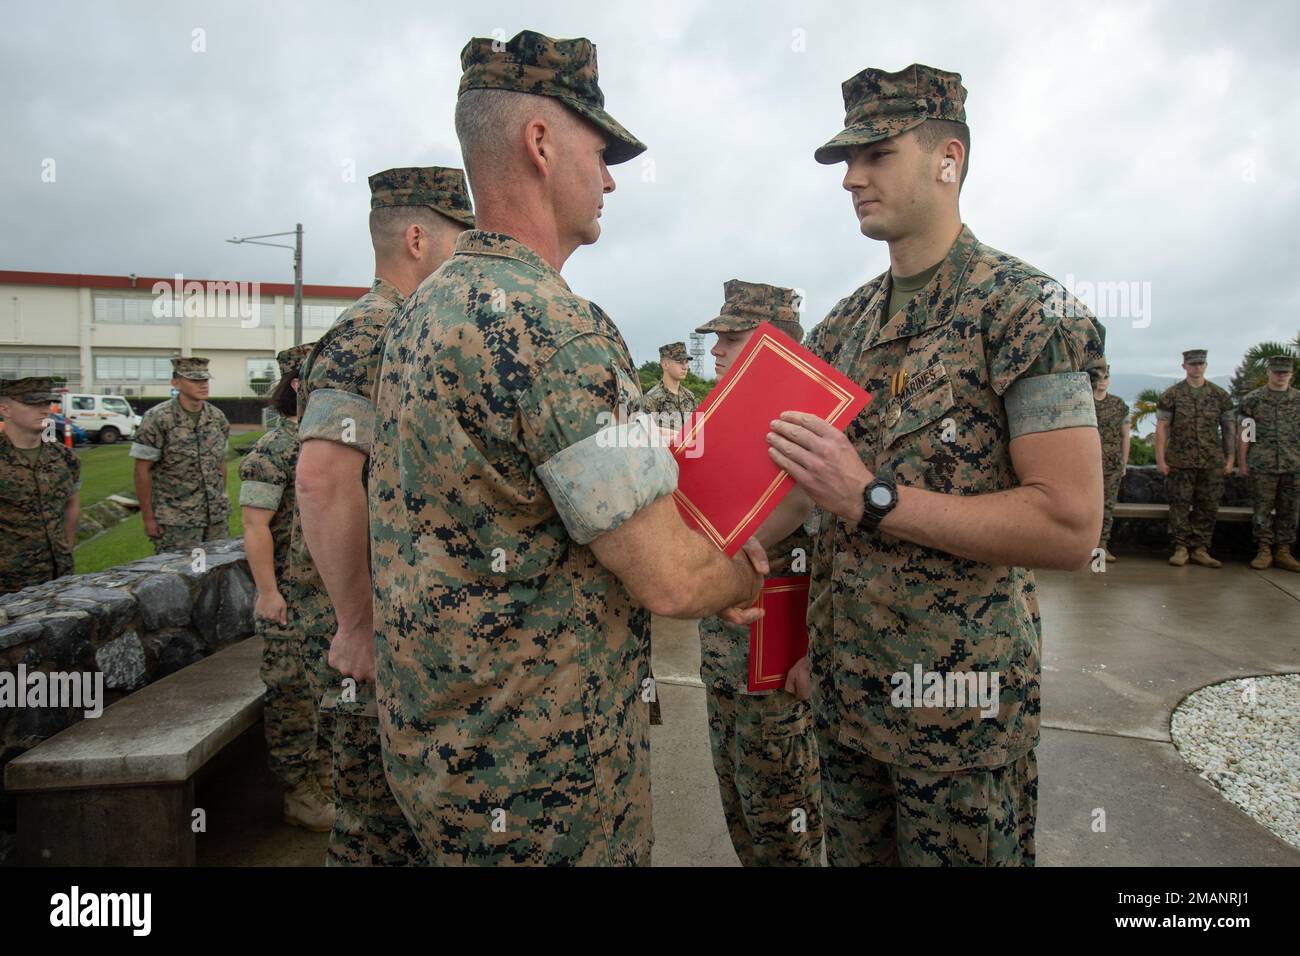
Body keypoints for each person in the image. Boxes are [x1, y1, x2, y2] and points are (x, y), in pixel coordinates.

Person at [369, 29, 767, 866]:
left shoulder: (422, 309)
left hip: (438, 753)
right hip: (545, 781)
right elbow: (667, 575)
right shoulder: (554, 327)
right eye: (601, 148)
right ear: (541, 144)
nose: (613, 176)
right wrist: (739, 577)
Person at [760, 63, 1105, 866]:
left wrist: (873, 496)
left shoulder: (1027, 312)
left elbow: (1068, 523)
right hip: (844, 707)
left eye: (876, 154)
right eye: (848, 161)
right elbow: (795, 495)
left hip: (958, 728)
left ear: (948, 158)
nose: (851, 178)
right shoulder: (844, 325)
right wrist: (735, 564)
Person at [295, 165, 473, 866]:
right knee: (377, 827)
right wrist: (358, 625)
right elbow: (322, 478)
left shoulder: (408, 326)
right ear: (419, 237)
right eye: (463, 237)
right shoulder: (373, 330)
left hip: (400, 629)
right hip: (369, 639)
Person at [694, 279, 823, 866]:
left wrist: (707, 560)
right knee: (740, 803)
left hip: (773, 656)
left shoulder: (802, 419)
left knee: (782, 816)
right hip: (725, 649)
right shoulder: (722, 416)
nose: (716, 349)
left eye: (732, 336)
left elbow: (797, 503)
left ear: (774, 344)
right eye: (716, 337)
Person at [238, 344, 335, 831]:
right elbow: (255, 526)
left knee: (325, 693)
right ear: (298, 386)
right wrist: (268, 592)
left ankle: (325, 781)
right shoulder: (274, 450)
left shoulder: (331, 439)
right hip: (290, 602)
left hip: (324, 600)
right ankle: (298, 791)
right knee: (292, 695)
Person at [130, 357, 230, 555]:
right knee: (178, 579)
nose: (203, 385)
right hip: (176, 521)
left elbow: (220, 462)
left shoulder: (217, 418)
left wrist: (222, 496)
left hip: (215, 519)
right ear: (176, 383)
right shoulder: (158, 418)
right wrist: (148, 518)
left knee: (216, 577)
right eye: (195, 380)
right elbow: (142, 470)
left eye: (205, 380)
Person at [1155, 349, 1235, 567]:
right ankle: (1180, 547)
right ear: (1184, 367)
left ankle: (1200, 548)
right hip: (1179, 461)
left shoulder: (1220, 396)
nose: (1197, 367)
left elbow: (1229, 428)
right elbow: (1162, 428)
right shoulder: (1172, 395)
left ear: (1206, 366)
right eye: (1192, 364)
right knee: (1179, 505)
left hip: (1211, 461)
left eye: (1200, 363)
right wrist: (1160, 459)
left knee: (1207, 506)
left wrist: (1230, 459)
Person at [0, 377, 80, 595]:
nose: (44, 410)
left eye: (46, 403)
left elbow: (71, 504)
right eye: (32, 404)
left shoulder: (64, 457)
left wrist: (67, 546)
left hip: (58, 577)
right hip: (8, 582)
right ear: (5, 409)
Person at [1238, 354, 1300, 571]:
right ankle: (1263, 550)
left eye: (1285, 372)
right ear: (1268, 373)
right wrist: (1243, 462)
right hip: (1262, 464)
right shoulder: (1252, 400)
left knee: (1290, 509)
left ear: (1291, 374)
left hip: (1293, 464)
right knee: (1262, 508)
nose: (1281, 376)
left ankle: (1284, 550)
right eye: (1277, 372)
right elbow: (1246, 434)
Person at [1092, 365, 1130, 562]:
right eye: (1099, 377)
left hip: (1111, 465)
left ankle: (1102, 546)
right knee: (1087, 506)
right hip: (1087, 465)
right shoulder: (1084, 403)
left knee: (1107, 506)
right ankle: (1085, 546)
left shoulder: (1118, 404)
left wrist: (1123, 462)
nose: (1103, 381)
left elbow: (1125, 435)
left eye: (1106, 377)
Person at [643, 342, 698, 430]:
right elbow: (646, 436)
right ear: (665, 365)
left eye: (686, 362)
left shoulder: (690, 397)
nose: (685, 367)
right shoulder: (651, 399)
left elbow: (697, 430)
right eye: (679, 362)